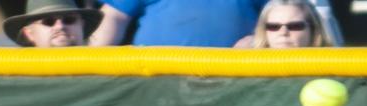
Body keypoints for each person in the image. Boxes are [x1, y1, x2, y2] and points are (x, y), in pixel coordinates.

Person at [90, 0, 262, 47]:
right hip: (158, 83)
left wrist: (258, 41)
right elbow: (113, 16)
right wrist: (92, 61)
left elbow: (281, 19)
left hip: (234, 81)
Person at [242, 0, 335, 48]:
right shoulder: (242, 66)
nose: (283, 32)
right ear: (263, 31)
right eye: (273, 27)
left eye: (295, 26)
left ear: (313, 30)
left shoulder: (335, 67)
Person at [3, 0, 99, 46]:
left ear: (82, 26)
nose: (60, 26)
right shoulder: (17, 77)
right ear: (29, 34)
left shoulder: (107, 70)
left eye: (69, 20)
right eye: (48, 21)